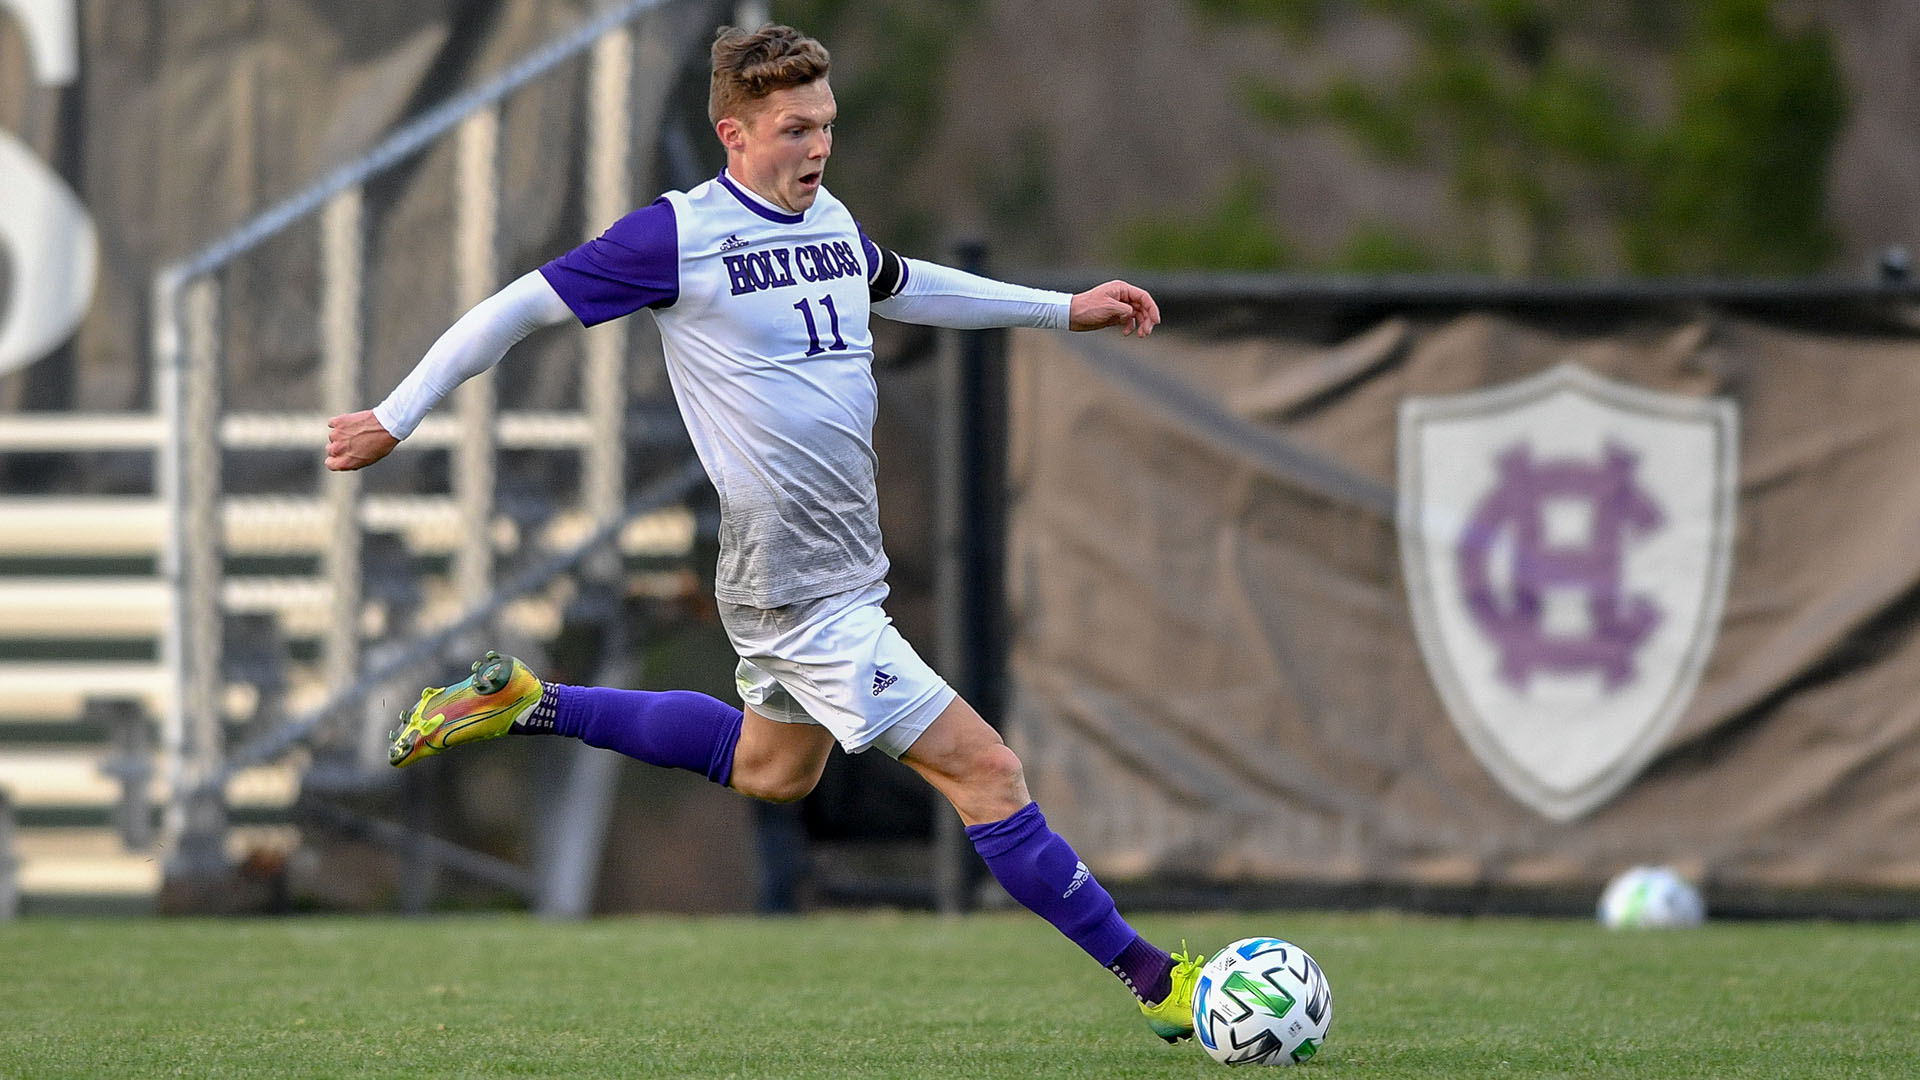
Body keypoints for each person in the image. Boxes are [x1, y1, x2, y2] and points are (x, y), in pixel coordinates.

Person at [325, 23, 1204, 1044]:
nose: (818, 147)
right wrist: (396, 413)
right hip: (795, 579)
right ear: (734, 135)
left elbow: (903, 281)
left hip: (838, 569)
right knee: (989, 773)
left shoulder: (825, 213)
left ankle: (528, 702)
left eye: (826, 124)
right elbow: (514, 309)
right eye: (794, 129)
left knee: (771, 769)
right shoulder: (676, 236)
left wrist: (1062, 310)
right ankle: (1160, 984)